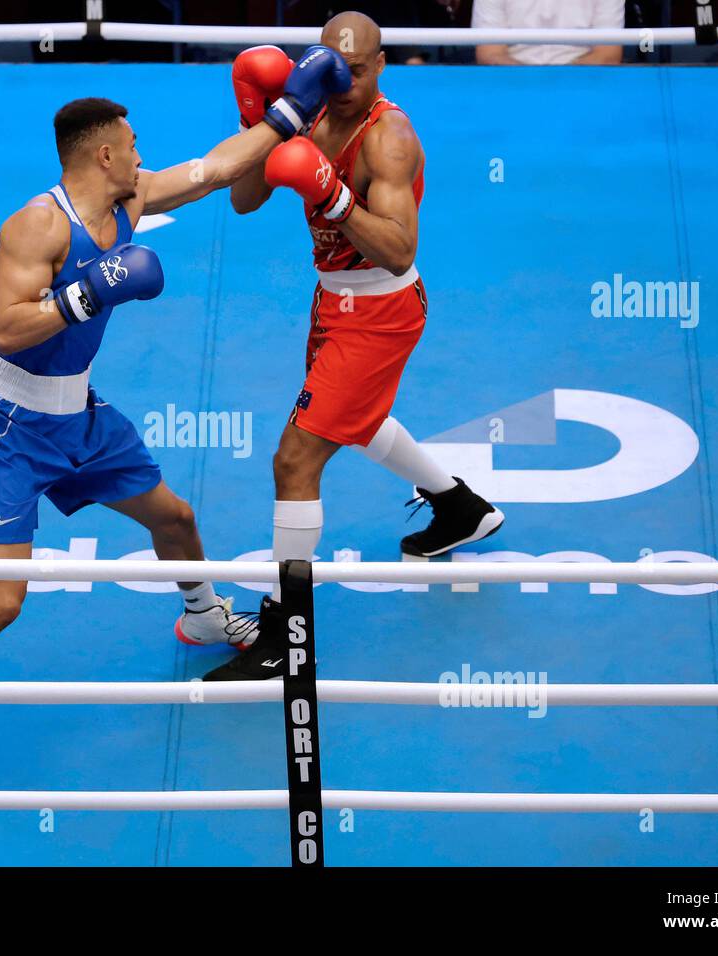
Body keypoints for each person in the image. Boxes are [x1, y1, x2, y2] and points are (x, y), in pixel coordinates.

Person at [0, 48, 353, 827]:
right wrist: (89, 292)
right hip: (8, 428)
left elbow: (217, 167)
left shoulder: (129, 206)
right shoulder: (35, 225)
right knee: (0, 604)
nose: (141, 154)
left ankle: (200, 616)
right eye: (132, 144)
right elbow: (8, 325)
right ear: (102, 153)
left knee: (177, 519)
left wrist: (291, 111)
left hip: (81, 417)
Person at [208, 12, 504, 681]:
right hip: (332, 300)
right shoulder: (308, 104)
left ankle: (285, 633)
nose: (346, 83)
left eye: (360, 70)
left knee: (295, 459)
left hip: (380, 311)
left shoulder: (389, 139)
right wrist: (259, 118)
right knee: (358, 422)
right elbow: (245, 200)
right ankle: (459, 507)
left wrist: (334, 196)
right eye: (336, 69)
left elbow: (400, 253)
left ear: (381, 65)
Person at [472, 0, 625, 66]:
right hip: (512, 84)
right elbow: (489, 54)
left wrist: (556, 78)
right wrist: (532, 81)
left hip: (585, 82)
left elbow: (608, 54)